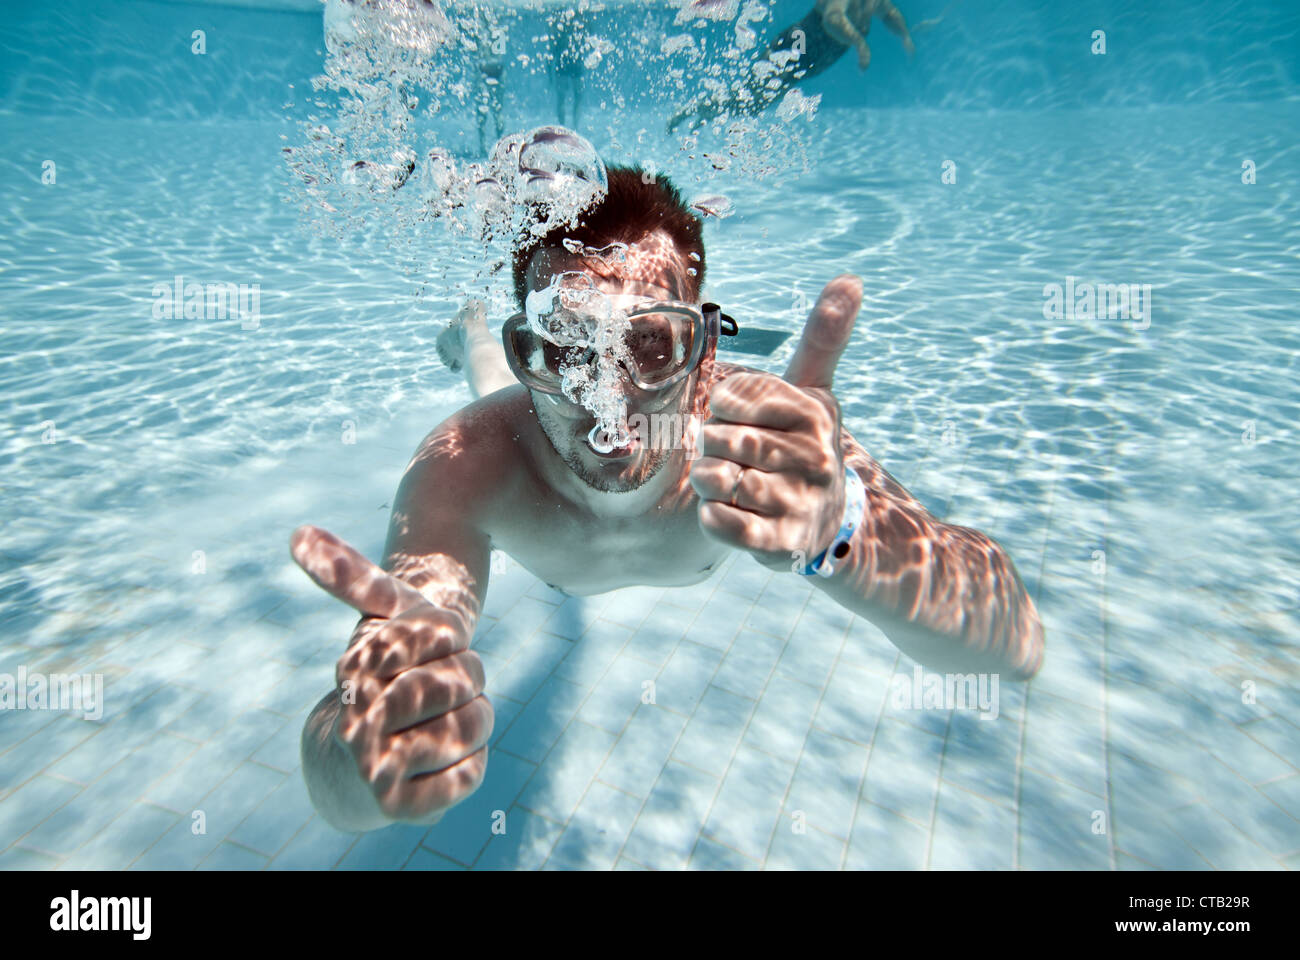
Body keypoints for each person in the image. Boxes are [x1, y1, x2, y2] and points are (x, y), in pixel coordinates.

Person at [292, 166, 1045, 832]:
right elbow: (340, 778)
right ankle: (480, 339)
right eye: (561, 348)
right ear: (535, 355)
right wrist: (359, 754)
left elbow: (1018, 645)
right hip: (510, 426)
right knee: (489, 395)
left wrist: (848, 536)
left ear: (704, 349)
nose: (609, 401)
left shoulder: (766, 447)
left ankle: (490, 339)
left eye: (651, 344)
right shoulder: (464, 467)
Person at [668, 0, 915, 132]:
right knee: (749, 99)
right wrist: (861, 45)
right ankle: (696, 111)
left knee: (751, 105)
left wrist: (904, 34)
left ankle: (705, 112)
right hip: (790, 50)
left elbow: (889, 13)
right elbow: (832, 19)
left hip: (804, 63)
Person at [469, 4, 507, 156]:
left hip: (492, 72)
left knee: (495, 110)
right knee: (486, 112)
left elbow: (497, 58)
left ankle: (495, 143)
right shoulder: (482, 32)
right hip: (489, 72)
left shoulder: (494, 32)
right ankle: (485, 144)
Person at [550, 8, 587, 128]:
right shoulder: (580, 17)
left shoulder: (558, 20)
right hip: (573, 62)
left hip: (564, 62)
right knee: (576, 96)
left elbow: (553, 46)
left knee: (565, 97)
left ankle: (565, 127)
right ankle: (572, 128)